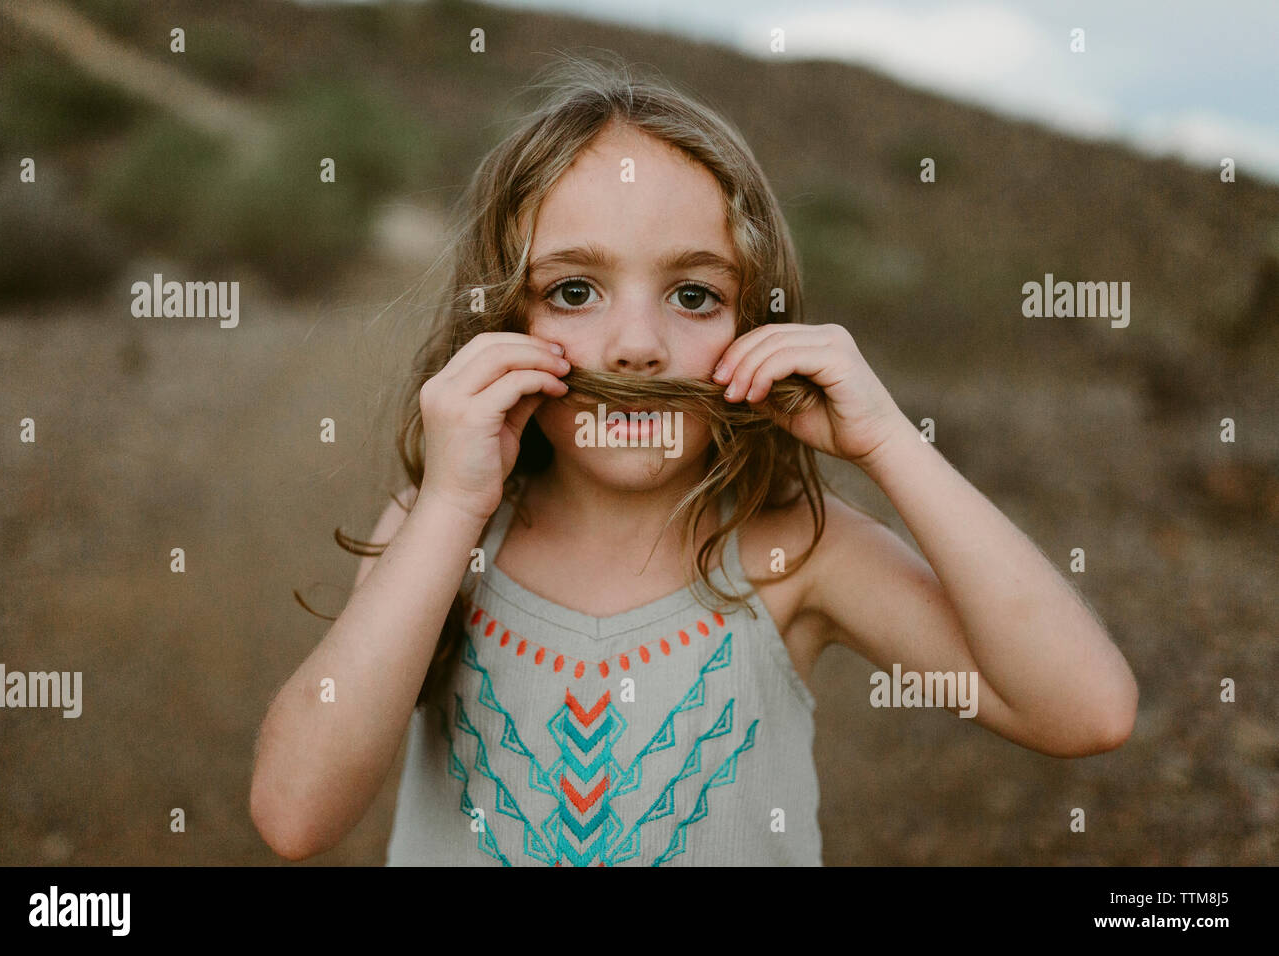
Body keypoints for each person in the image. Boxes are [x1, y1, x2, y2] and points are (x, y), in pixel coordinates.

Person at [249, 56, 1138, 866]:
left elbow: (1085, 711)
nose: (637, 345)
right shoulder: (440, 529)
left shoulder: (799, 556)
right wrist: (448, 507)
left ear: (759, 330)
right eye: (572, 290)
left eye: (693, 294)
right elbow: (295, 816)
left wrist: (889, 442)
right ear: (503, 327)